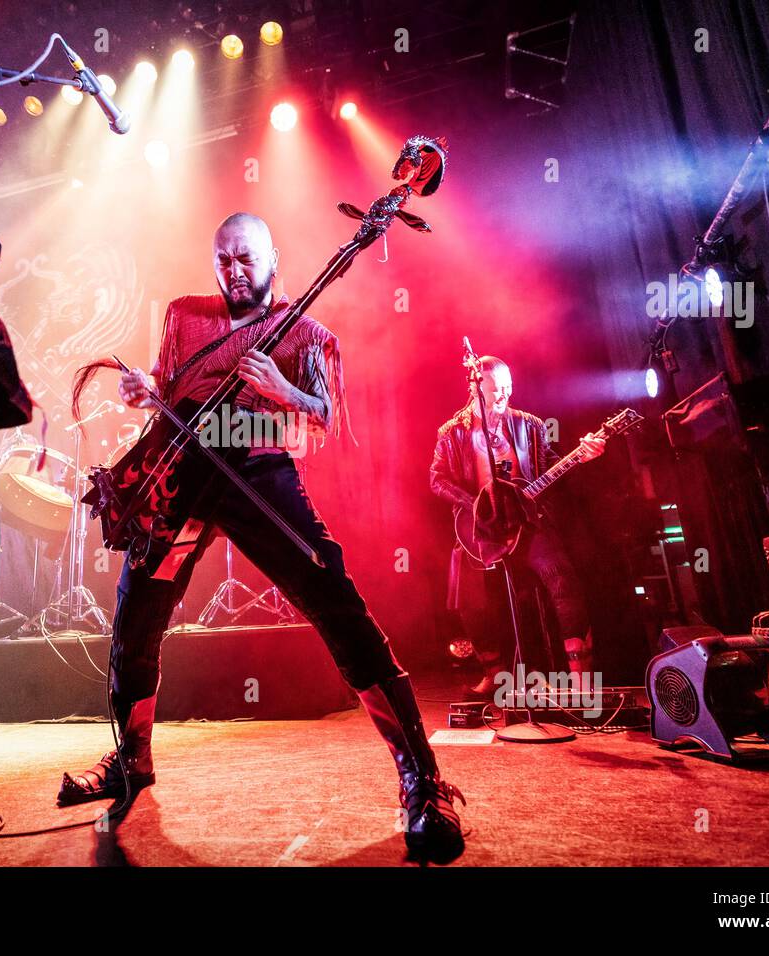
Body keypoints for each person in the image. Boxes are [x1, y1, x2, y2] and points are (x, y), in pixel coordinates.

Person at [59, 212, 464, 860]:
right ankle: (131, 759)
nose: (233, 270)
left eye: (245, 258)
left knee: (333, 596)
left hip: (256, 467)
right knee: (137, 613)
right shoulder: (183, 315)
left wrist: (284, 391)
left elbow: (326, 424)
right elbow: (168, 392)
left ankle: (423, 781)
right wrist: (144, 393)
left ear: (273, 256)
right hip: (182, 473)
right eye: (223, 259)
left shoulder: (308, 333)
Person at [430, 356, 603, 687]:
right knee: (470, 598)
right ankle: (494, 675)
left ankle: (581, 678)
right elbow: (437, 480)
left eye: (508, 388)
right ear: (475, 387)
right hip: (479, 528)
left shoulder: (530, 425)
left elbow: (552, 465)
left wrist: (583, 456)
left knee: (563, 581)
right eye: (495, 389)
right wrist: (477, 505)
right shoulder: (452, 433)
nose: (503, 396)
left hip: (528, 521)